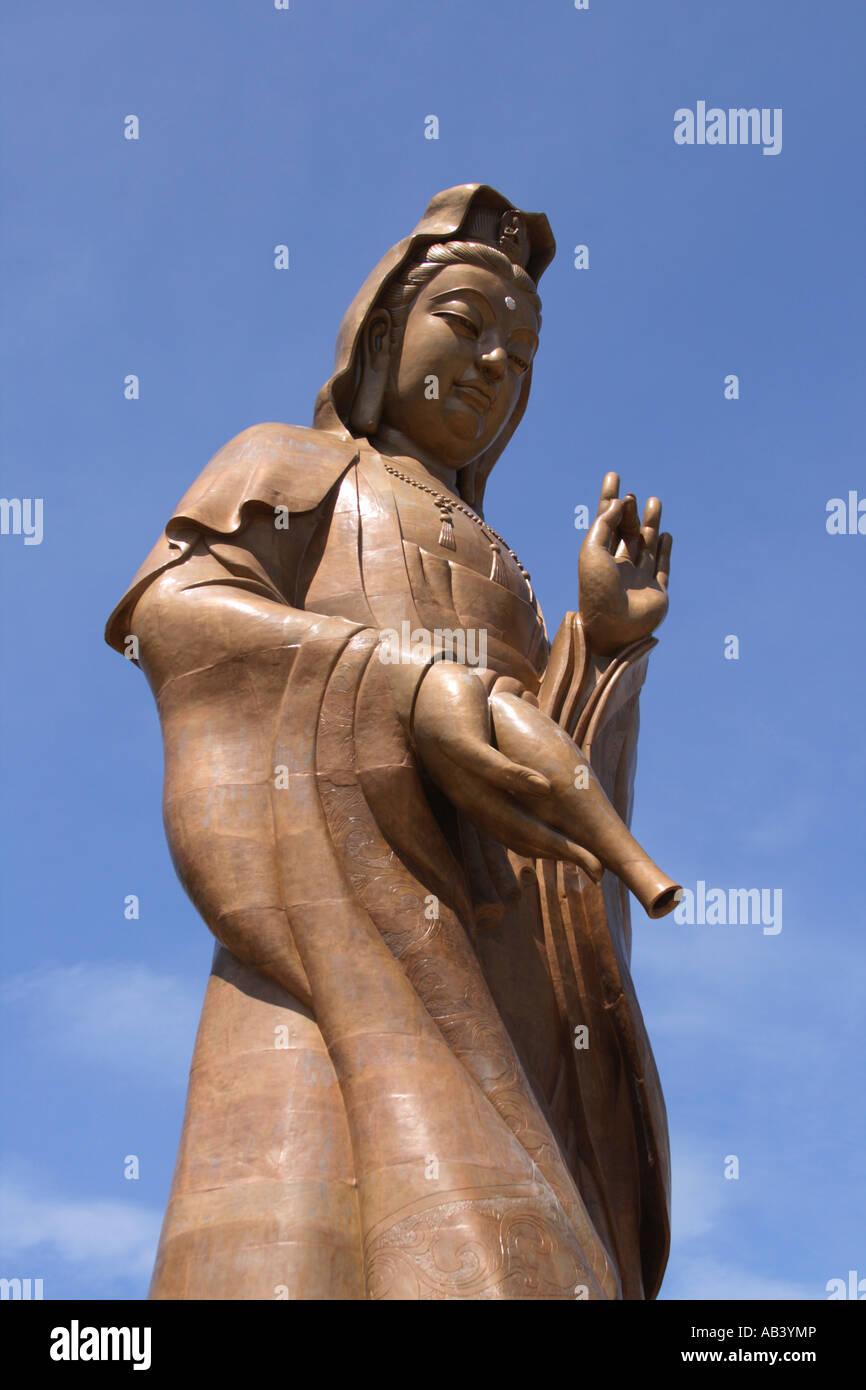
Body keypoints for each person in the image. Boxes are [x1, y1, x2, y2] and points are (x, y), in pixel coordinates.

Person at [106, 184, 677, 1300]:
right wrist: (393, 683)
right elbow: (176, 616)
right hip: (335, 910)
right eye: (463, 325)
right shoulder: (291, 464)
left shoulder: (507, 569)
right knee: (300, 1234)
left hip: (491, 938)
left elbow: (544, 784)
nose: (488, 365)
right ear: (382, 329)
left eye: (517, 354)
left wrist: (602, 647)